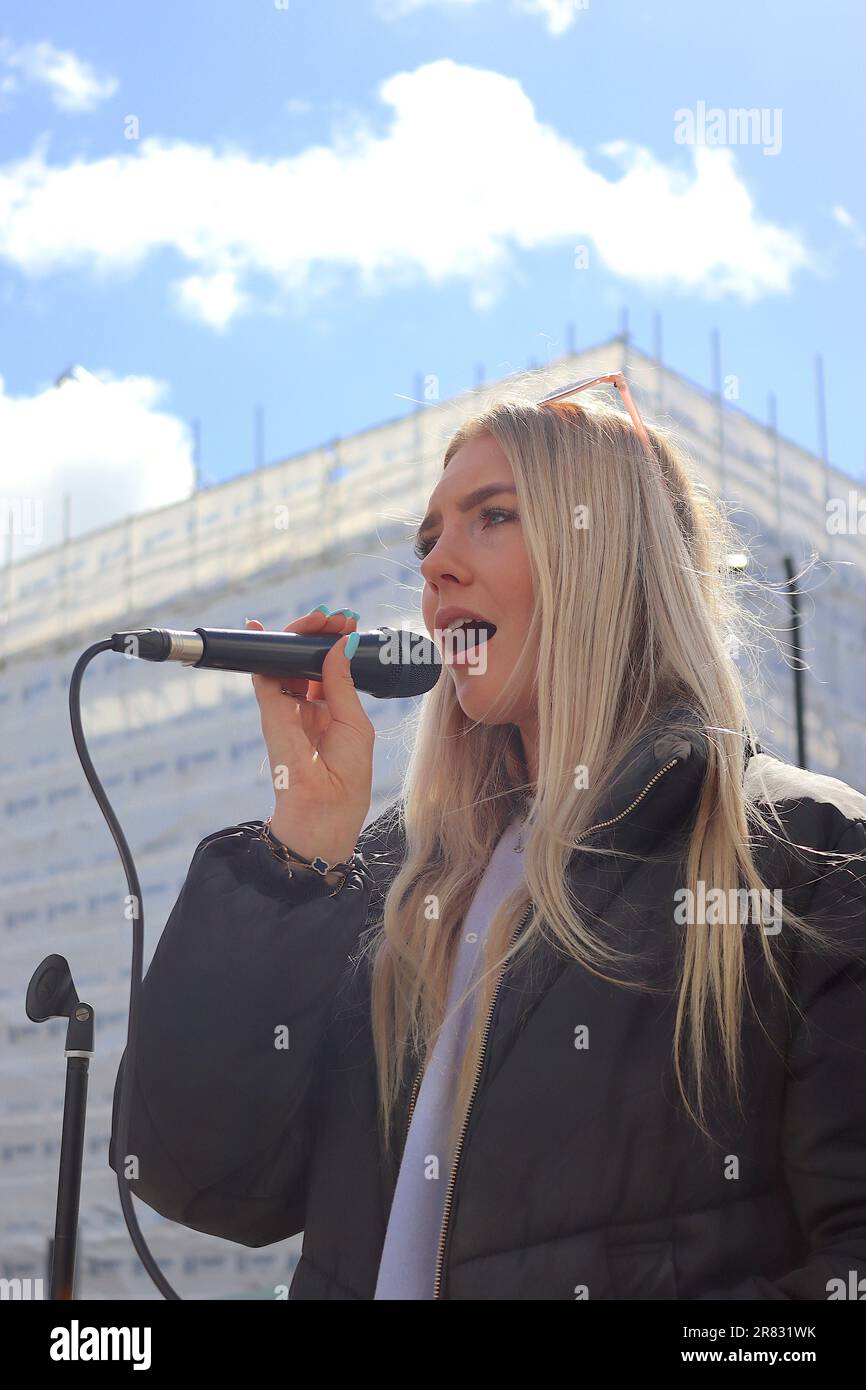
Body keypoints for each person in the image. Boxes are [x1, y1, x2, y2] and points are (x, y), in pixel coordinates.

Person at [110, 374, 866, 1300]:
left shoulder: (807, 855)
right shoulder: (396, 878)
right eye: (428, 538)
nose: (434, 567)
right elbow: (204, 1180)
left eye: (493, 517)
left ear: (611, 552)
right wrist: (301, 844)